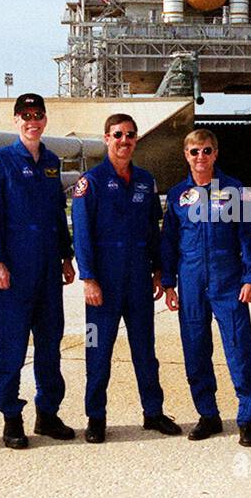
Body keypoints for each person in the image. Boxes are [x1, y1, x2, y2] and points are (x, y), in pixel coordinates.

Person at [71, 112, 181, 443]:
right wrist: (88, 278)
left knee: (145, 350)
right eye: (117, 135)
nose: (124, 140)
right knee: (97, 350)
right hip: (102, 285)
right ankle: (96, 416)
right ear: (107, 139)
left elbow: (153, 228)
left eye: (130, 135)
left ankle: (153, 412)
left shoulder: (146, 181)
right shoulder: (89, 183)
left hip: (137, 281)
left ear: (135, 140)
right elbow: (82, 235)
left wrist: (159, 269)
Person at [0, 93, 76, 448]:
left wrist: (67, 255)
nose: (32, 121)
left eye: (38, 115)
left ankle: (47, 414)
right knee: (12, 345)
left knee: (50, 343)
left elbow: (56, 212)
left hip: (48, 267)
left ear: (45, 120)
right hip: (15, 269)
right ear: (16, 120)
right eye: (25, 115)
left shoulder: (51, 161)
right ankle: (11, 417)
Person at [161, 128, 251, 446]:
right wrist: (168, 284)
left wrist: (249, 277)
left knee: (239, 348)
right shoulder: (178, 195)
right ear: (186, 155)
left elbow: (247, 237)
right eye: (194, 152)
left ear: (215, 153)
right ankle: (208, 415)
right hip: (191, 281)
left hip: (228, 281)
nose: (200, 157)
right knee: (195, 349)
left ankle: (247, 418)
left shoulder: (234, 190)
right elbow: (170, 242)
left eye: (206, 150)